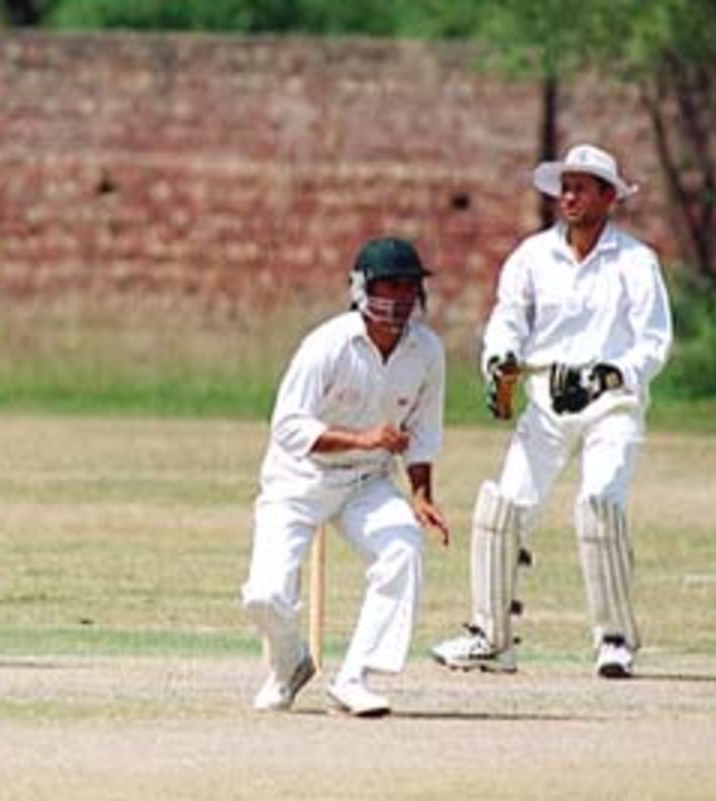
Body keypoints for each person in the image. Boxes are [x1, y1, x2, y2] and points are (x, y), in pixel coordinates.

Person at [431, 144, 673, 679]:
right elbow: (507, 321)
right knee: (505, 506)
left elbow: (653, 342)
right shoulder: (532, 256)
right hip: (546, 402)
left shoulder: (635, 261)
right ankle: (492, 637)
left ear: (609, 197)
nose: (568, 195)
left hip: (612, 405)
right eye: (565, 185)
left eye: (582, 186)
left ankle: (615, 641)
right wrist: (500, 361)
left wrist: (610, 375)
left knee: (598, 502)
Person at [241, 237, 450, 717]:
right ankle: (290, 663)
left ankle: (355, 677)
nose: (398, 298)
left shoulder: (426, 351)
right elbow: (289, 428)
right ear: (360, 288)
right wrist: (363, 440)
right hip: (299, 479)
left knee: (402, 548)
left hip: (366, 483)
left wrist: (420, 493)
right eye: (387, 285)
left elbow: (424, 430)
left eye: (408, 286)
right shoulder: (327, 344)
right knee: (264, 595)